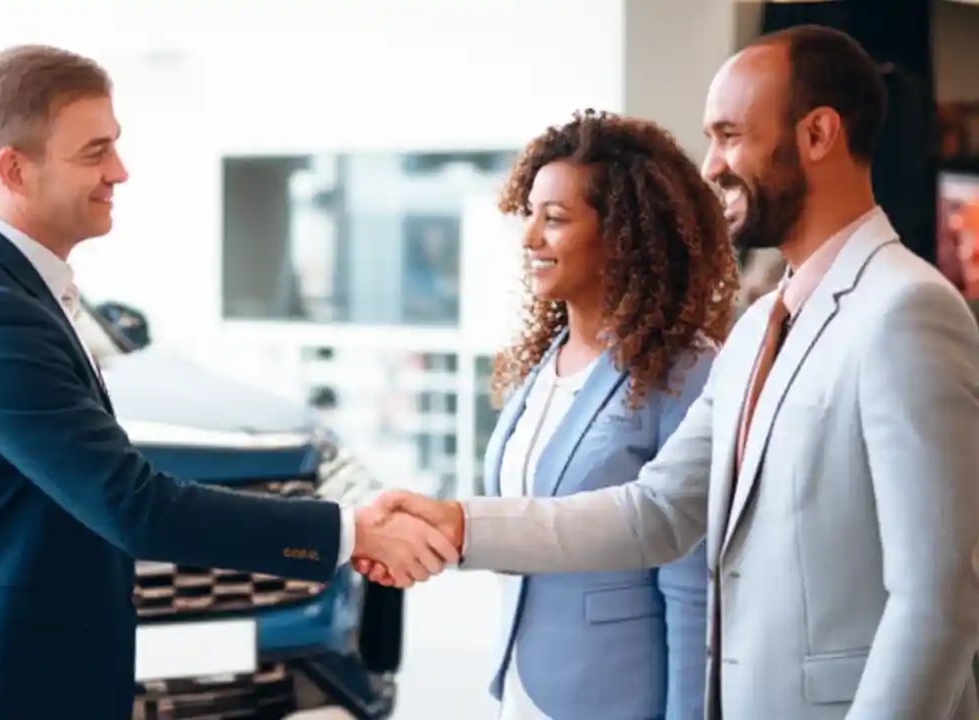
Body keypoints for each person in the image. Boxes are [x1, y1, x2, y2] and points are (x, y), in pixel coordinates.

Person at [365, 25, 979, 720]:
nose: (711, 164)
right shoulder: (757, 328)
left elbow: (936, 601)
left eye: (730, 135)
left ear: (818, 135)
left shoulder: (908, 310)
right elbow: (654, 511)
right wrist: (458, 524)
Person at [0, 45, 456, 720]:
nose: (118, 172)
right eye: (94, 152)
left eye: (114, 147)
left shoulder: (13, 292)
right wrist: (351, 532)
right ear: (15, 170)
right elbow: (134, 507)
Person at [472, 110, 737, 719]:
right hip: (523, 687)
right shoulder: (547, 362)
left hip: (614, 697)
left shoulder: (686, 372)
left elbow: (693, 588)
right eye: (530, 213)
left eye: (555, 219)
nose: (530, 236)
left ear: (622, 235)